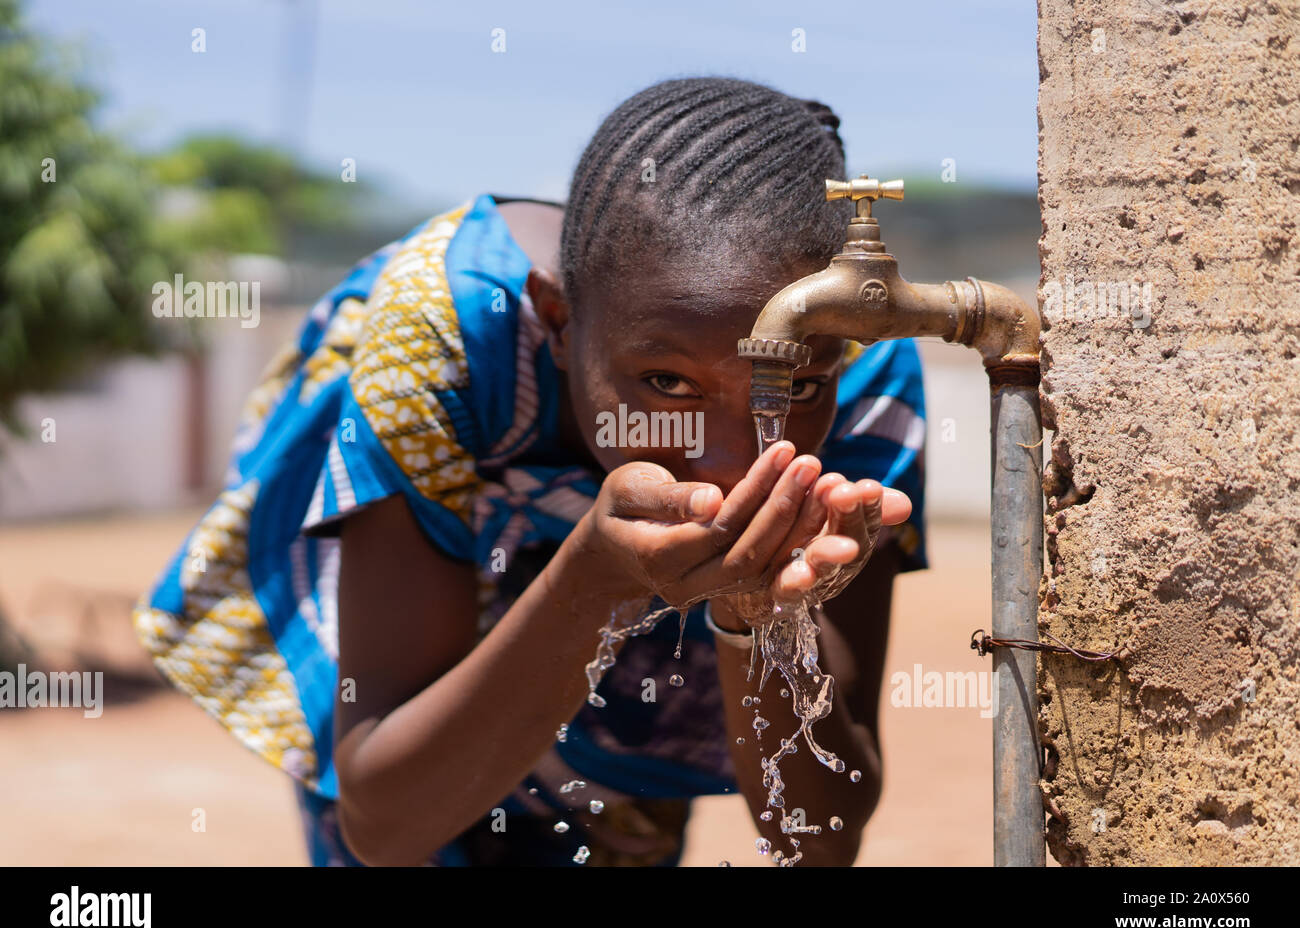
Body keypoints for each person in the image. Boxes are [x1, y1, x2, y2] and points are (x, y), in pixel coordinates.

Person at [133, 76, 928, 867]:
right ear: (556, 320)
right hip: (438, 683)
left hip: (620, 722)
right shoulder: (446, 329)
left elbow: (818, 839)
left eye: (795, 388)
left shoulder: (859, 359)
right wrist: (593, 578)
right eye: (668, 384)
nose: (730, 468)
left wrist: (755, 611)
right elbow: (385, 823)